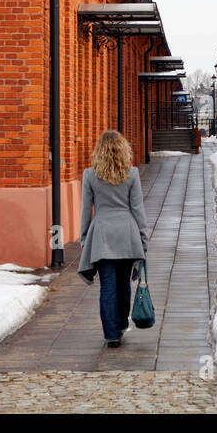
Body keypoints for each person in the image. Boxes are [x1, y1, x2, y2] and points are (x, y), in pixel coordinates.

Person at [78, 130, 149, 347]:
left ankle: (111, 334)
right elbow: (137, 209)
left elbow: (86, 210)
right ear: (122, 150)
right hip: (127, 234)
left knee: (107, 286)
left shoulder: (90, 175)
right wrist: (143, 237)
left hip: (101, 235)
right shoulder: (132, 174)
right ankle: (120, 324)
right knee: (124, 284)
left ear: (98, 151)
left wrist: (84, 239)